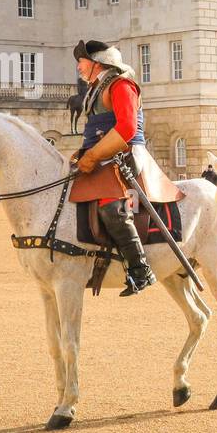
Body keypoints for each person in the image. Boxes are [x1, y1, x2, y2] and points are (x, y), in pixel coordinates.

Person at [73, 39, 159, 296]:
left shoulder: (121, 85)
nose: (79, 67)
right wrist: (82, 155)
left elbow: (126, 129)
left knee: (111, 204)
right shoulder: (96, 90)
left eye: (82, 62)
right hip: (104, 156)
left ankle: (140, 269)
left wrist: (93, 156)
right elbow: (95, 132)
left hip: (127, 152)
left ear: (97, 64)